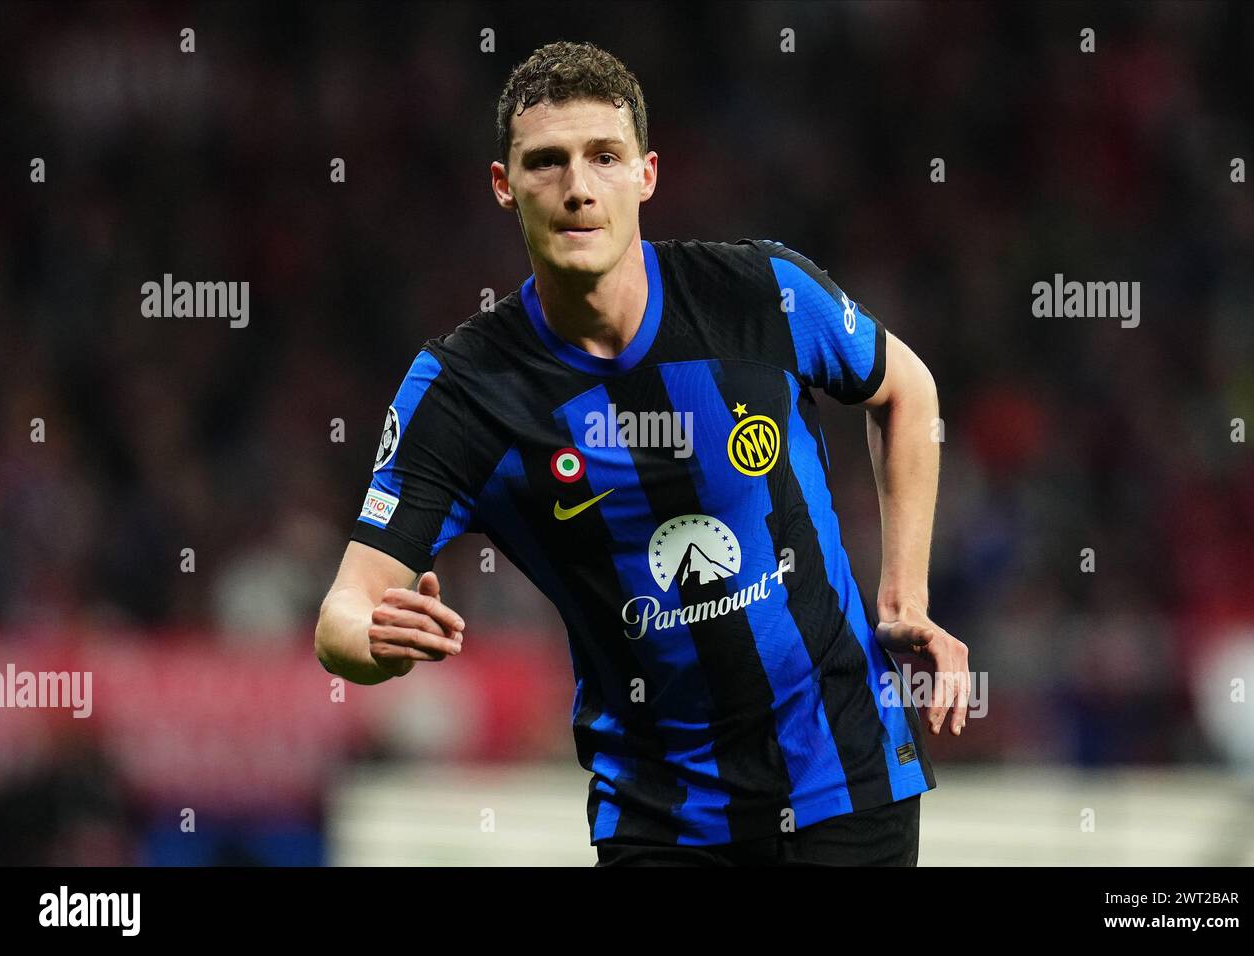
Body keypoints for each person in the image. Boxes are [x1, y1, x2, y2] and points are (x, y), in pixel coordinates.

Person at [315, 40, 969, 866]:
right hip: (661, 818)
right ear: (503, 185)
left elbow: (908, 391)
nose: (579, 188)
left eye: (604, 158)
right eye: (546, 162)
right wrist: (370, 642)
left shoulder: (761, 295)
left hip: (846, 775)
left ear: (646, 175)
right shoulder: (464, 390)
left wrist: (903, 599)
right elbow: (342, 612)